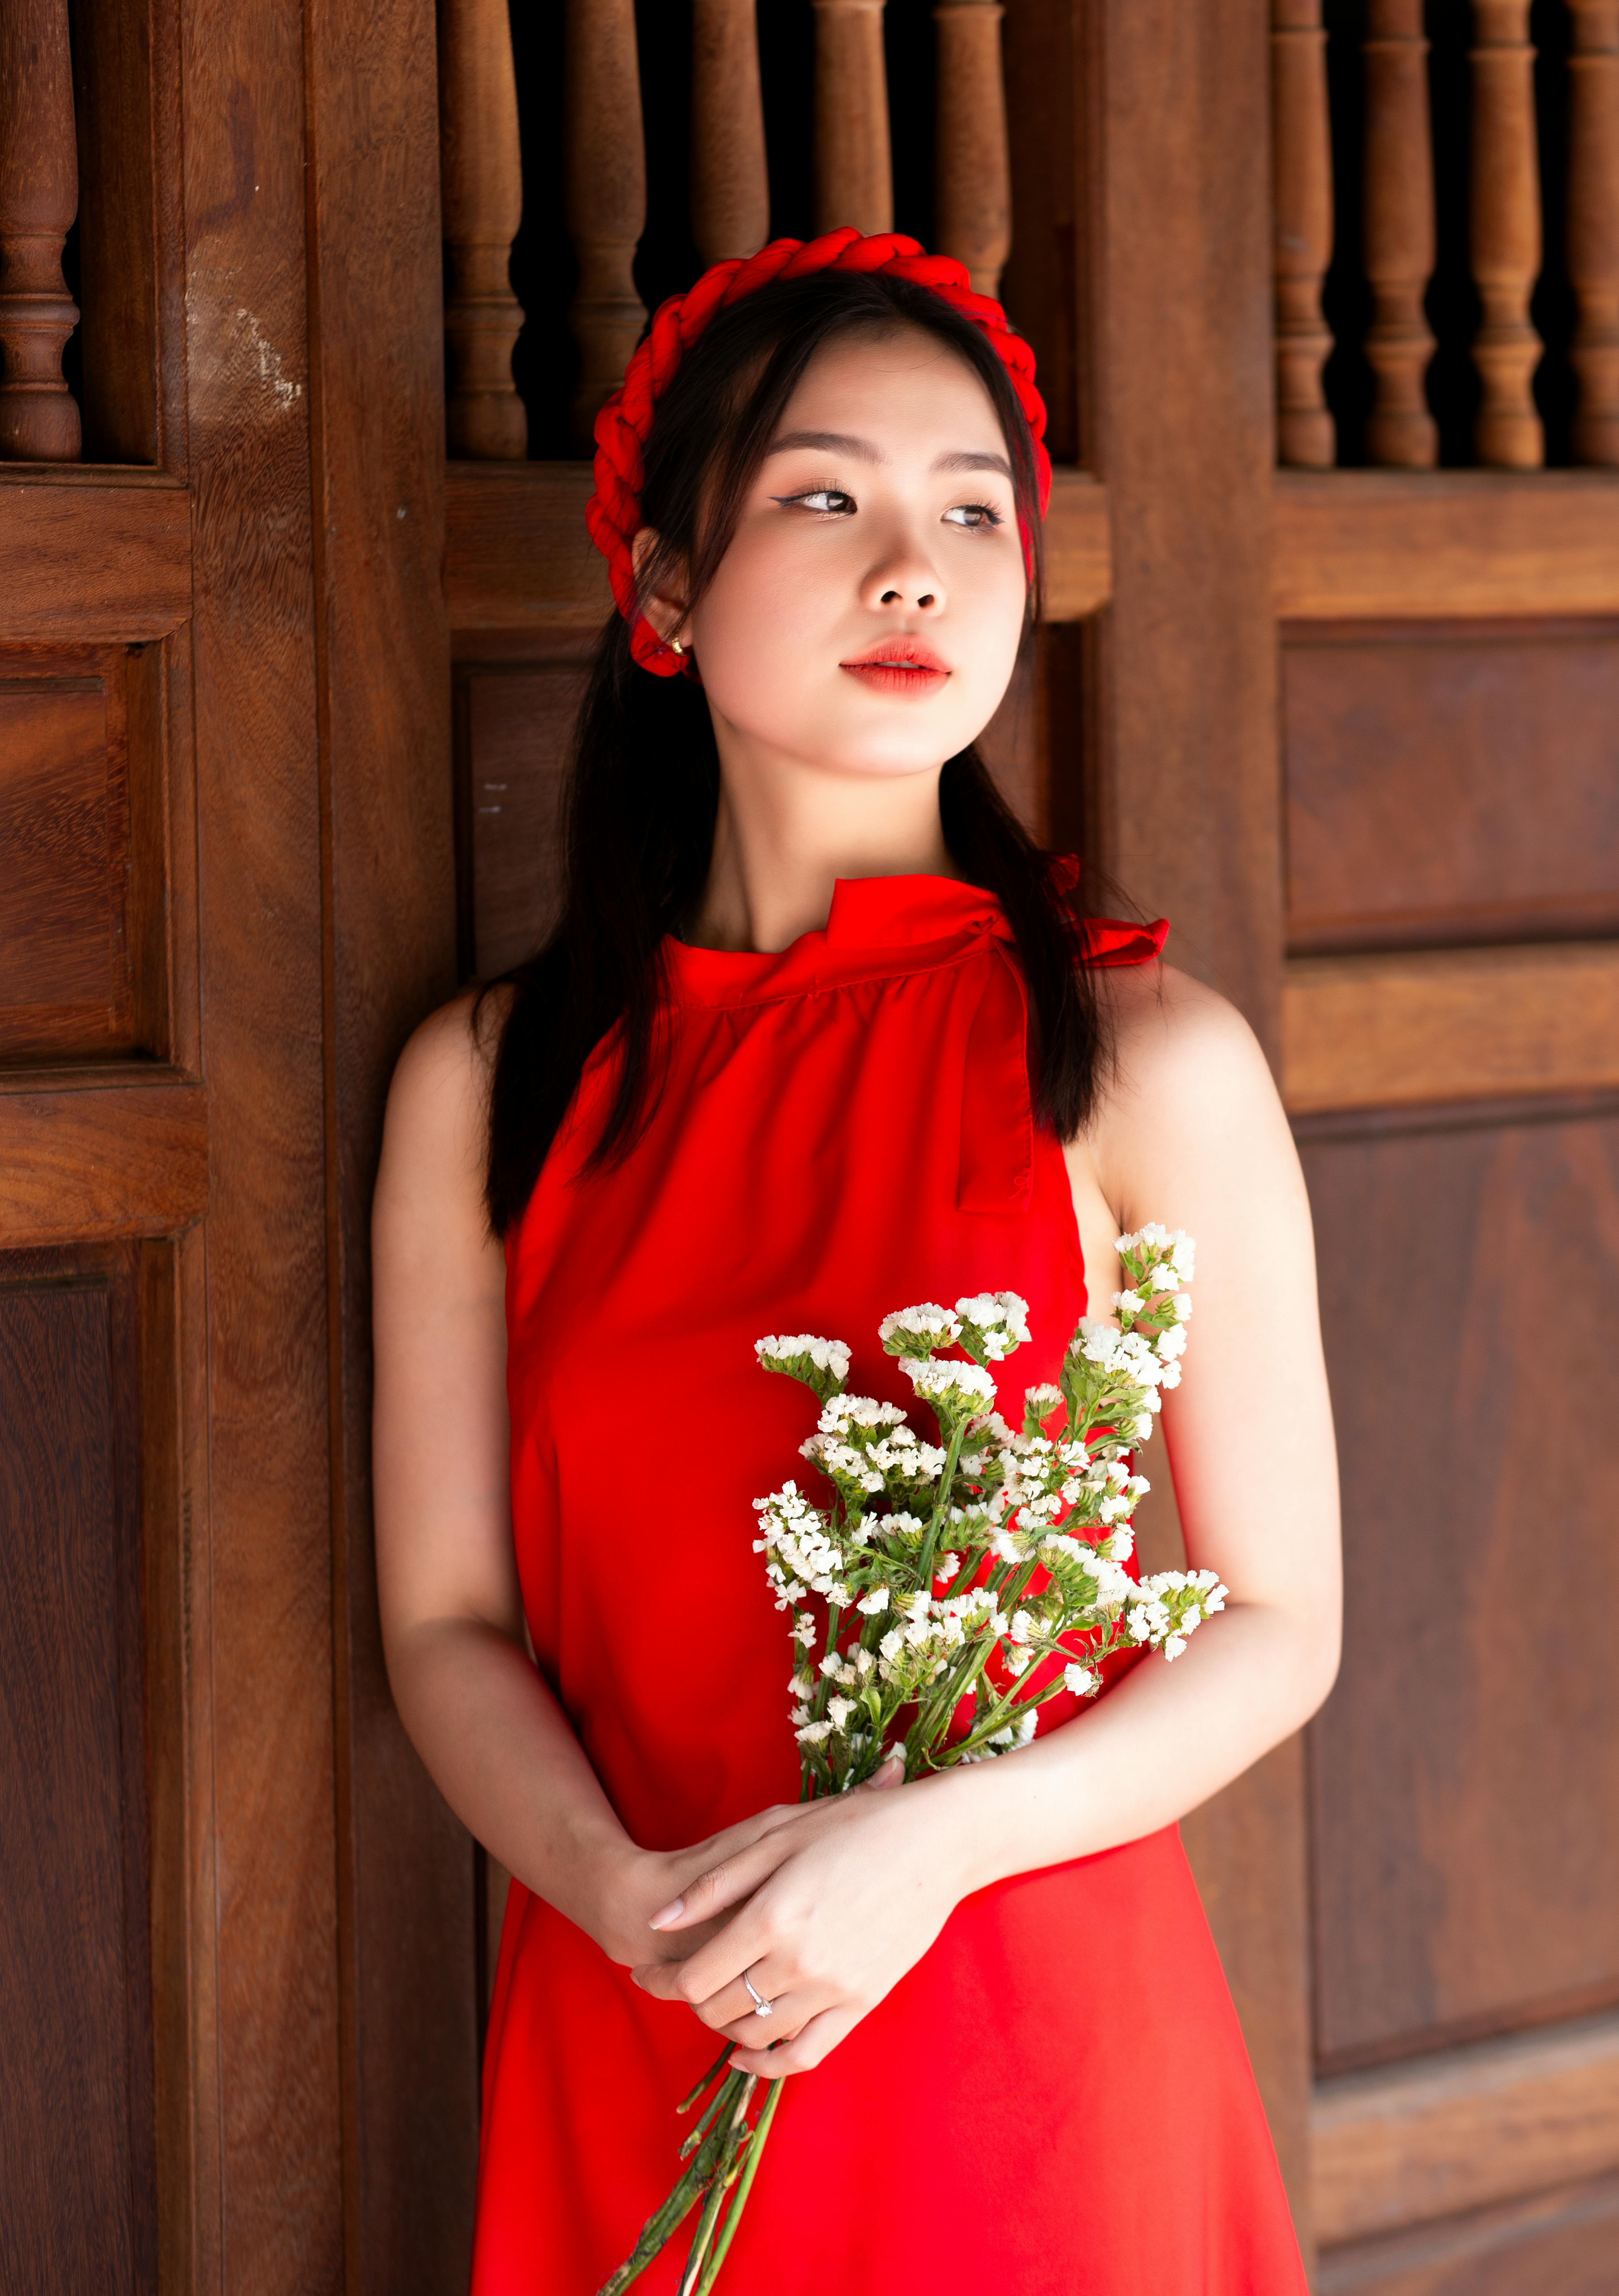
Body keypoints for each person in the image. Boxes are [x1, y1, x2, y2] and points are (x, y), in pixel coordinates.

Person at [372, 230, 1341, 2294]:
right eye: (827, 498)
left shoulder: (1142, 1057)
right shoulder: (495, 1084)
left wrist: (926, 1848)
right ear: (662, 588)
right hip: (640, 2005)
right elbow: (448, 1617)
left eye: (972, 514)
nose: (917, 572)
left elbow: (1279, 1626)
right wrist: (630, 1902)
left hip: (1016, 2039)